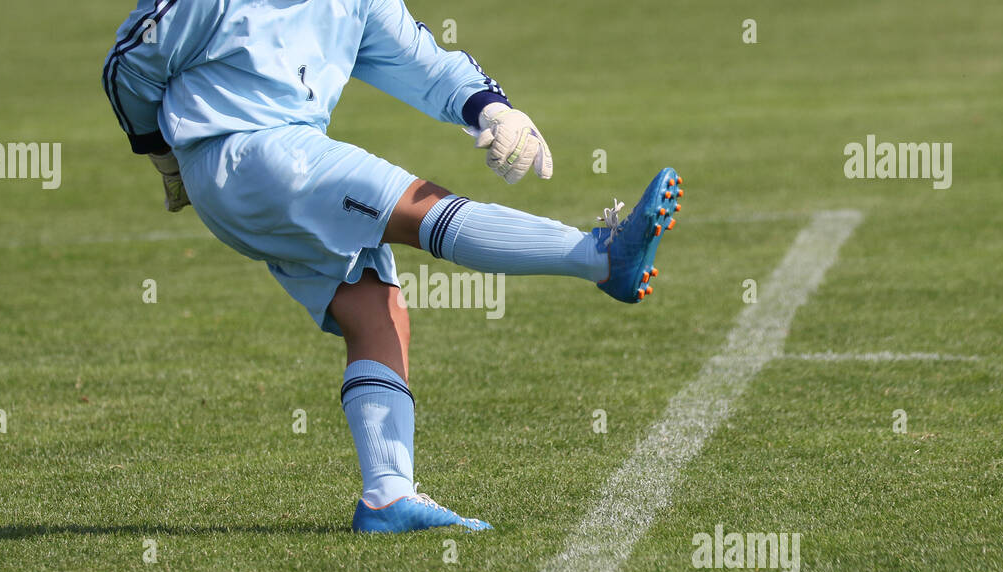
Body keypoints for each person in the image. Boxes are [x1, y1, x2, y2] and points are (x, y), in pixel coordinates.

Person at [103, 0, 682, 533]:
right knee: (420, 210)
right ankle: (602, 258)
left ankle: (387, 497)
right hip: (253, 153)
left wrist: (493, 109)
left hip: (267, 164)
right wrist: (163, 154)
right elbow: (129, 66)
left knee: (376, 308)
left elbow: (422, 64)